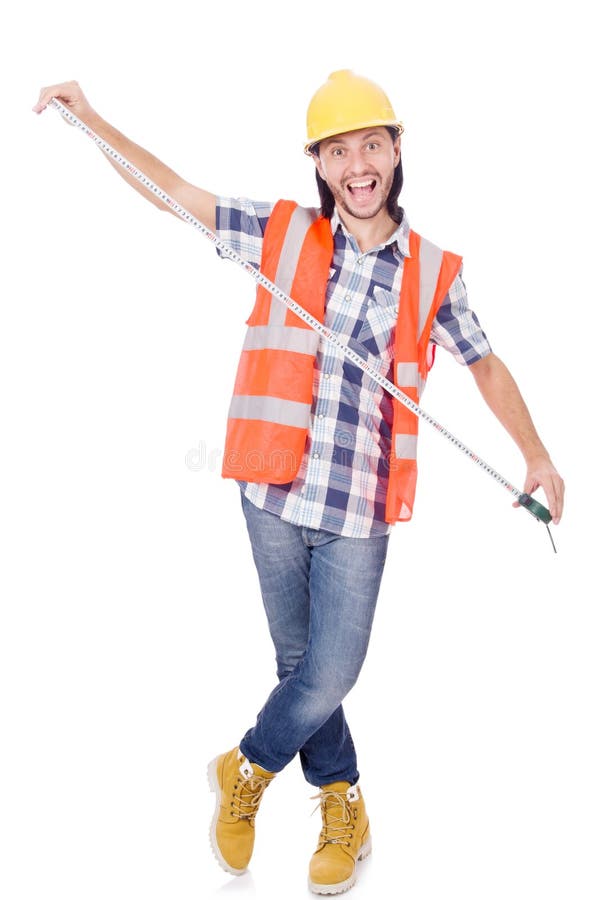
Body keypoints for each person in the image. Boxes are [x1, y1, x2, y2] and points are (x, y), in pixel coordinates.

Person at [33, 70, 564, 895]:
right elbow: (171, 192)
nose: (358, 165)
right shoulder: (280, 234)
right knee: (299, 666)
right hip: (272, 494)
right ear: (319, 164)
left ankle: (246, 767)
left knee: (331, 673)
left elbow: (485, 365)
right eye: (338, 150)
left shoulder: (433, 271)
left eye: (371, 146)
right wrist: (91, 118)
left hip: (359, 506)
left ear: (396, 150)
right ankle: (345, 804)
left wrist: (537, 454)